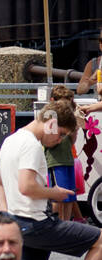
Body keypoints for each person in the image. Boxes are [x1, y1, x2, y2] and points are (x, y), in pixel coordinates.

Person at [0, 95, 102, 260]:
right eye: (60, 134)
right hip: (37, 223)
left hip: (17, 222)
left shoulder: (11, 139)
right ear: (51, 123)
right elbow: (26, 186)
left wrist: (6, 213)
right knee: (100, 240)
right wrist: (54, 193)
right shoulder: (32, 145)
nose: (59, 140)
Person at [46, 85, 83, 222]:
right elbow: (49, 141)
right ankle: (56, 224)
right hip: (55, 160)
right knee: (57, 195)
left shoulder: (68, 117)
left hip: (67, 158)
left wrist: (74, 129)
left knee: (70, 196)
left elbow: (72, 141)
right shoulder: (49, 116)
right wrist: (64, 132)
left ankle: (66, 223)